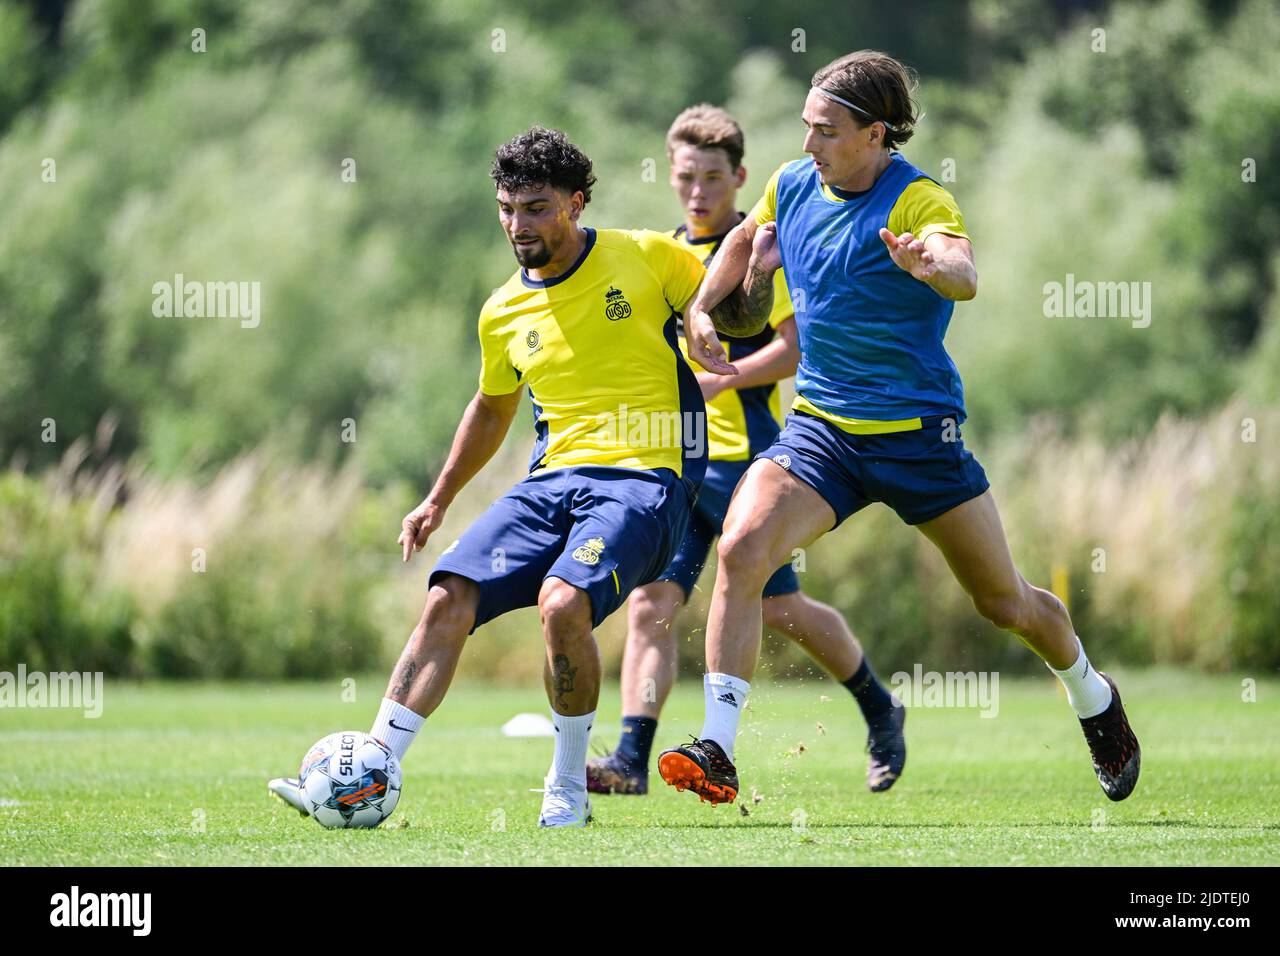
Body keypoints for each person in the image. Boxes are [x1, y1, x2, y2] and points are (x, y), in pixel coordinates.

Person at [659, 51, 1141, 807]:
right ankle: (717, 747)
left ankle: (1091, 694)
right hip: (823, 431)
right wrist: (698, 309)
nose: (810, 144)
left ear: (875, 134)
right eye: (807, 127)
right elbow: (743, 242)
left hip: (921, 438)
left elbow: (965, 274)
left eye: (826, 131)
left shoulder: (918, 200)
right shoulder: (791, 183)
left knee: (1005, 605)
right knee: (743, 548)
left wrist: (929, 267)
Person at [270, 125, 774, 827]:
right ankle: (370, 769)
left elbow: (741, 314)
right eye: (507, 208)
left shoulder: (647, 257)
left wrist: (748, 275)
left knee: (563, 604)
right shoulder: (502, 310)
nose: (518, 224)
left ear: (576, 202)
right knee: (448, 595)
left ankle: (567, 791)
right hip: (551, 483)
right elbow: (490, 407)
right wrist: (437, 499)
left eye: (535, 207)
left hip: (646, 484)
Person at [586, 105, 905, 800]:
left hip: (749, 459)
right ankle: (631, 760)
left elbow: (793, 350)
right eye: (684, 177)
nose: (697, 191)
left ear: (740, 178)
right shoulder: (666, 255)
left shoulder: (761, 246)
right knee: (650, 605)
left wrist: (717, 378)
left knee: (783, 610)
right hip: (675, 464)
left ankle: (880, 706)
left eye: (711, 177)